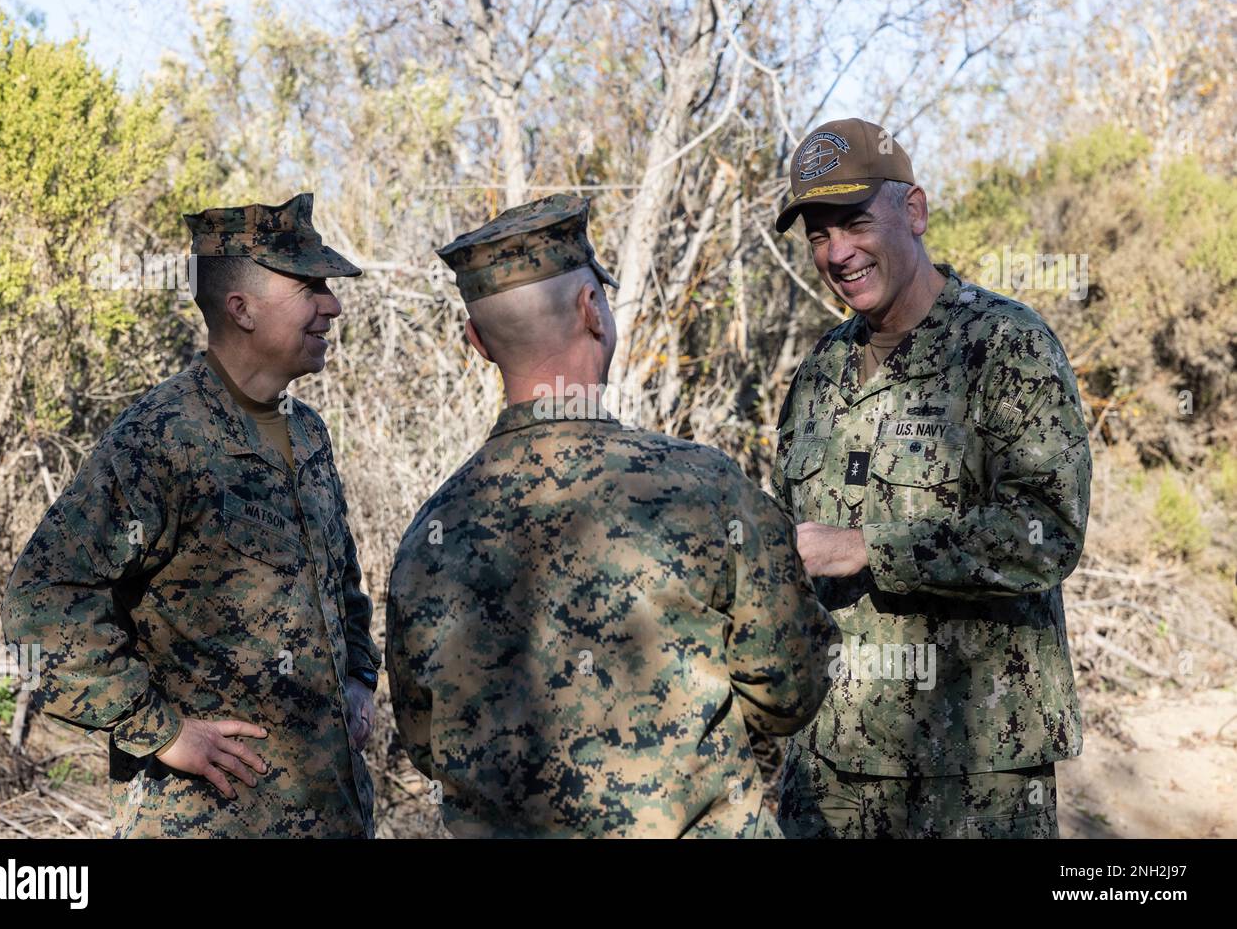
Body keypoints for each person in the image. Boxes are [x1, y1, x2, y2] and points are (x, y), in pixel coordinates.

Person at [386, 194, 838, 837]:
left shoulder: (428, 535)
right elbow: (789, 691)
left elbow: (426, 741)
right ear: (592, 310)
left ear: (478, 342)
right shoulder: (707, 489)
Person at [1, 193, 379, 837]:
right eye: (311, 286)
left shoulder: (306, 431)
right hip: (208, 821)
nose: (332, 305)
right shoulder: (160, 440)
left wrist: (360, 678)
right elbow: (42, 600)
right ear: (242, 308)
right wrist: (161, 730)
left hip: (331, 813)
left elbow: (339, 576)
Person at [770, 118, 1093, 838]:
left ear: (913, 211)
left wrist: (867, 546)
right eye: (819, 235)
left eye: (854, 223)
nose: (837, 252)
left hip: (970, 779)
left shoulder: (1007, 346)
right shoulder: (818, 373)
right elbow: (788, 542)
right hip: (827, 771)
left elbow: (1046, 534)